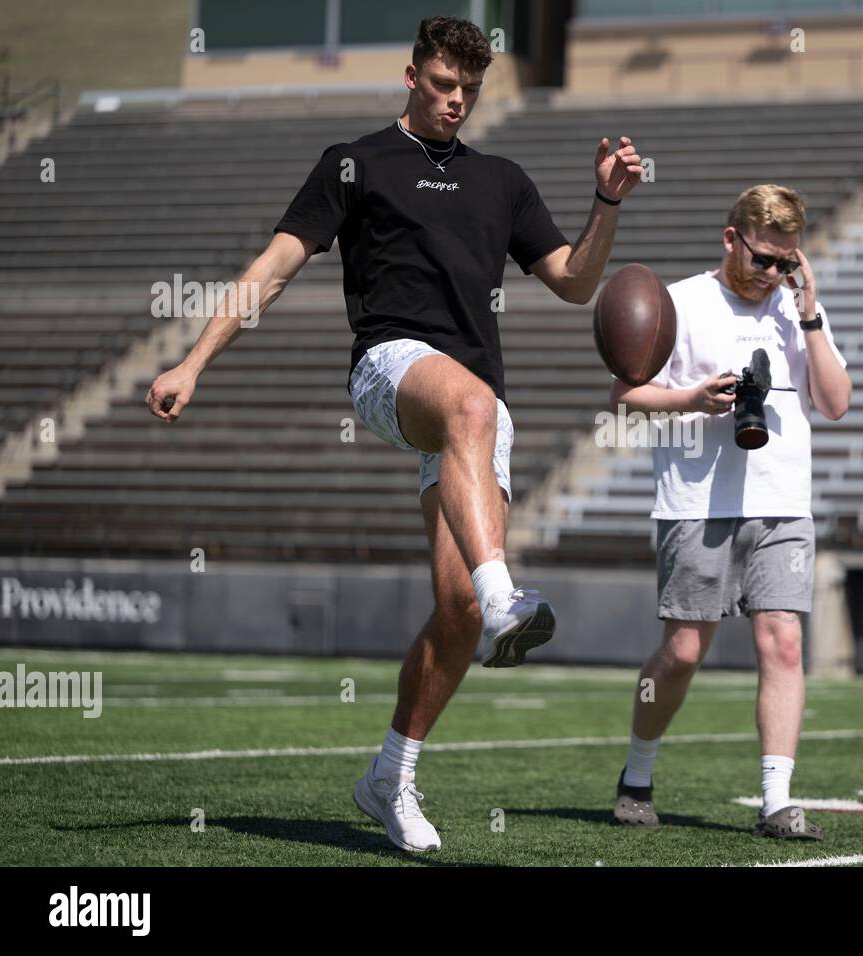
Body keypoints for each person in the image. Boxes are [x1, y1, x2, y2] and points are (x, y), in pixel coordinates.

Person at [144, 16, 642, 852]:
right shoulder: (356, 163)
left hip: (468, 417)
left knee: (450, 608)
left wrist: (607, 202)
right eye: (445, 86)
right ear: (412, 77)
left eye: (471, 91)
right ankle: (504, 602)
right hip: (390, 368)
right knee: (474, 412)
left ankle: (390, 773)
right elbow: (271, 268)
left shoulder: (504, 179)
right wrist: (192, 362)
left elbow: (574, 283)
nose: (458, 102)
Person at [608, 184, 850, 839]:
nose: (774, 274)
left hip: (781, 507)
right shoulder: (680, 303)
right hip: (695, 505)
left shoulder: (797, 311)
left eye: (786, 262)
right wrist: (691, 399)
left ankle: (776, 801)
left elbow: (834, 402)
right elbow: (624, 394)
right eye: (764, 259)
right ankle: (637, 773)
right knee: (683, 653)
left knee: (785, 642)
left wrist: (810, 313)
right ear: (730, 239)